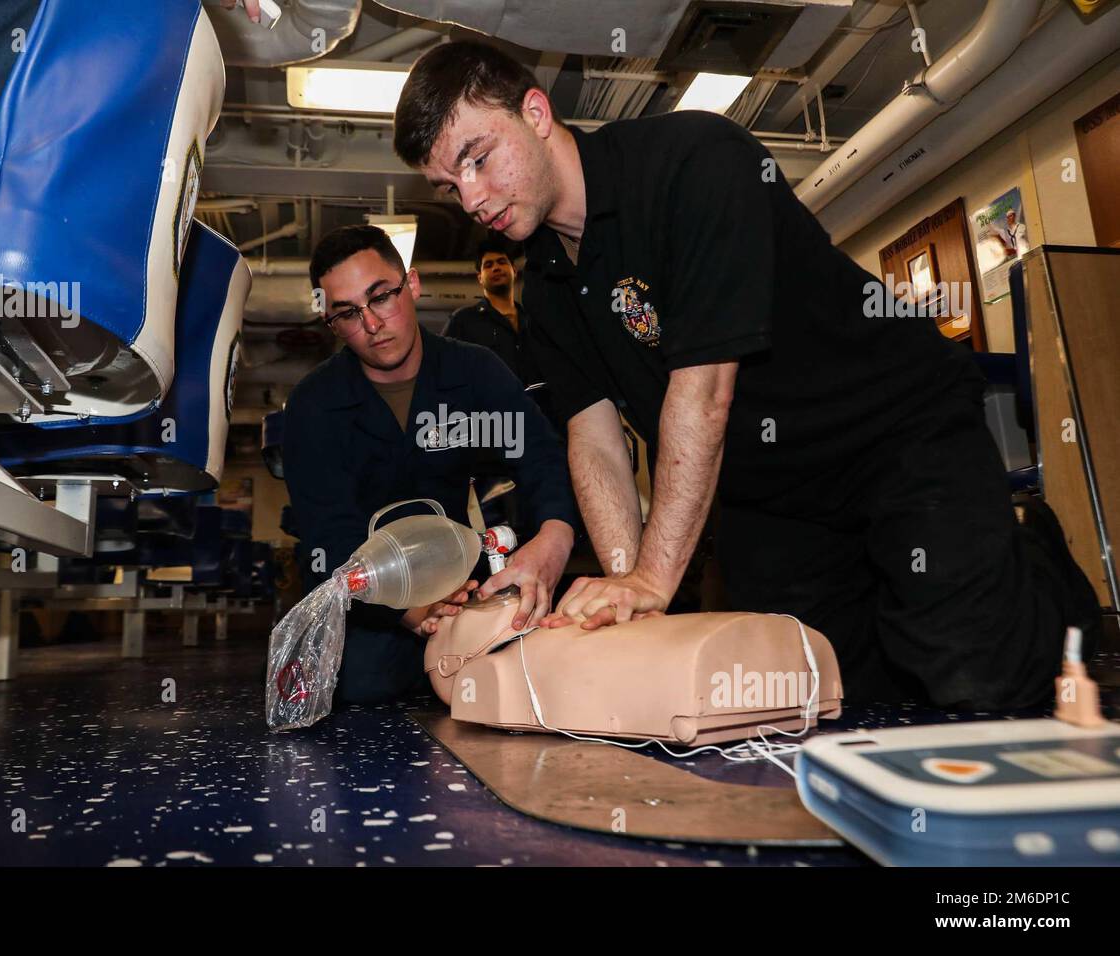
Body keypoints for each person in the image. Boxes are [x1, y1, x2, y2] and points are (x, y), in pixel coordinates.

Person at [390, 40, 1101, 711]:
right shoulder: (543, 288)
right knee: (800, 686)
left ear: (536, 113)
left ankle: (1040, 567)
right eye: (451, 187)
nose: (474, 199)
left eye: (478, 159)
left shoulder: (693, 163)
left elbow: (703, 395)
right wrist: (620, 584)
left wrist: (652, 583)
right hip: (770, 489)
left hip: (892, 429)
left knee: (972, 673)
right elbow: (596, 440)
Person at [281, 224, 577, 704]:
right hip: (370, 604)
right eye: (348, 313)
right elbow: (328, 534)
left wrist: (553, 536)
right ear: (330, 323)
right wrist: (405, 610)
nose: (373, 324)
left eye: (381, 297)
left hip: (465, 585)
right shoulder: (313, 407)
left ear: (412, 284)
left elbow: (542, 457)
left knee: (533, 674)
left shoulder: (475, 373)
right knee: (359, 687)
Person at [445, 239, 535, 383]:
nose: (496, 268)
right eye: (488, 265)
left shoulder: (533, 319)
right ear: (480, 277)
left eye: (502, 262)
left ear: (514, 271)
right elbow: (445, 369)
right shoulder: (463, 320)